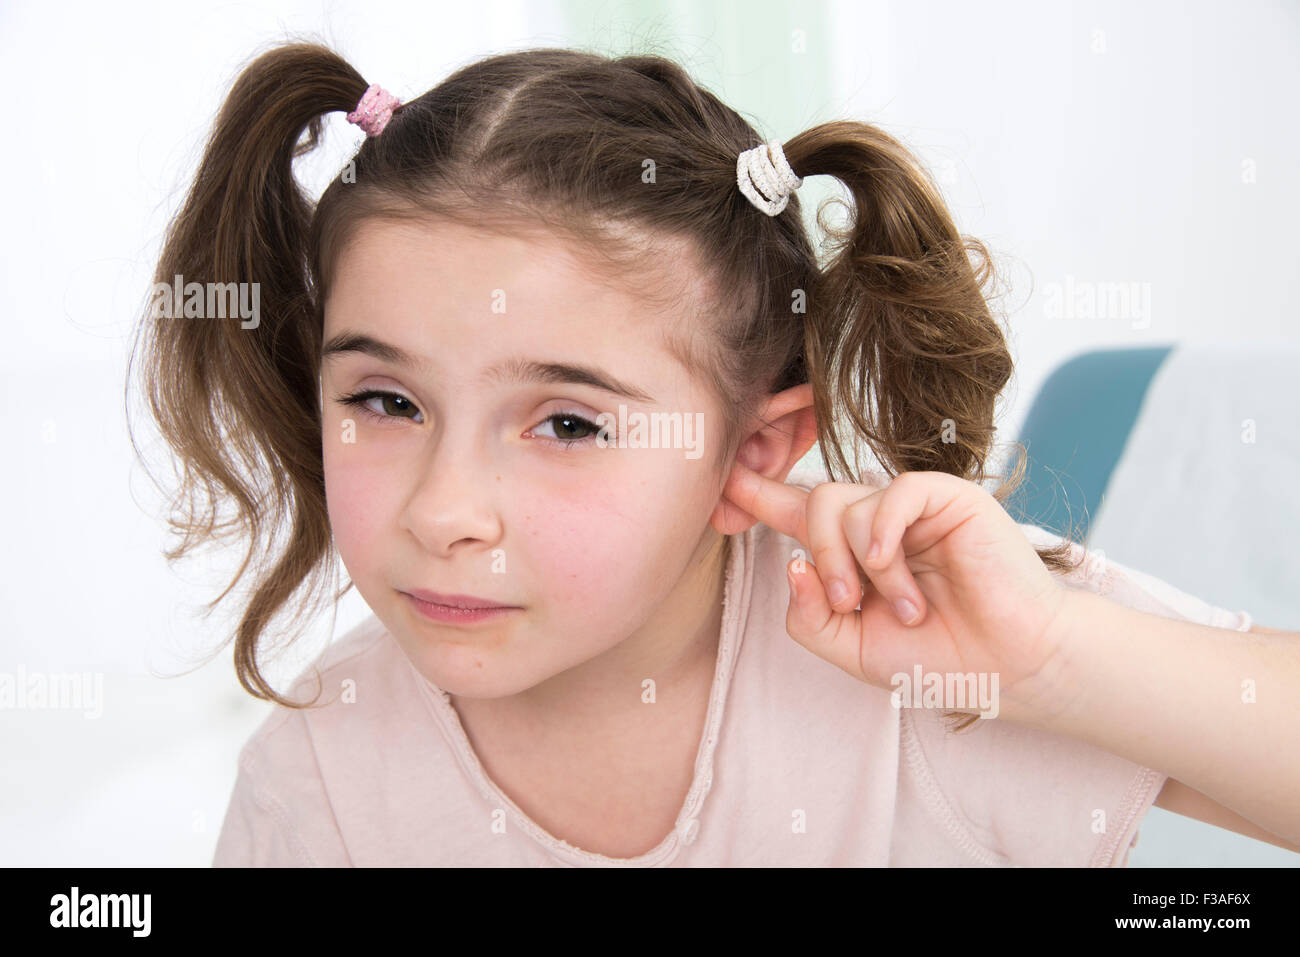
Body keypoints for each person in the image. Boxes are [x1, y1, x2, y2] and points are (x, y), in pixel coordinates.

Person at [128, 42, 1298, 866]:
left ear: (754, 447)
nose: (446, 512)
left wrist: (1046, 661)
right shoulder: (320, 776)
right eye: (384, 399)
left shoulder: (925, 654)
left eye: (569, 423)